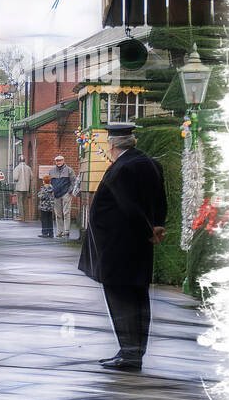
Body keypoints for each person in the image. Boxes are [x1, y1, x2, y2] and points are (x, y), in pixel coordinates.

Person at [78, 121, 168, 372]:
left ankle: (129, 354)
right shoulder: (150, 164)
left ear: (113, 145)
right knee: (138, 298)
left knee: (121, 299)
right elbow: (161, 199)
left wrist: (146, 228)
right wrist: (157, 225)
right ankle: (133, 351)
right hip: (139, 246)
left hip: (118, 247)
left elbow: (129, 206)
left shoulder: (122, 168)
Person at [48, 153, 77, 238]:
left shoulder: (69, 170)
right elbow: (50, 182)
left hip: (66, 194)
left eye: (60, 160)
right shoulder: (52, 171)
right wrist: (52, 191)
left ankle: (66, 231)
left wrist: (69, 191)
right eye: (57, 161)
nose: (58, 162)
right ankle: (60, 231)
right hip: (56, 194)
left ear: (63, 161)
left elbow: (73, 181)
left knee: (66, 212)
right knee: (58, 214)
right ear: (55, 162)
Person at [12, 157, 34, 221]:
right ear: (25, 160)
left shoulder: (17, 168)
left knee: (20, 202)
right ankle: (25, 216)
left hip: (19, 187)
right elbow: (32, 177)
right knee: (25, 202)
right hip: (26, 187)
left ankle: (21, 216)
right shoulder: (28, 168)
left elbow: (15, 178)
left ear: (19, 160)